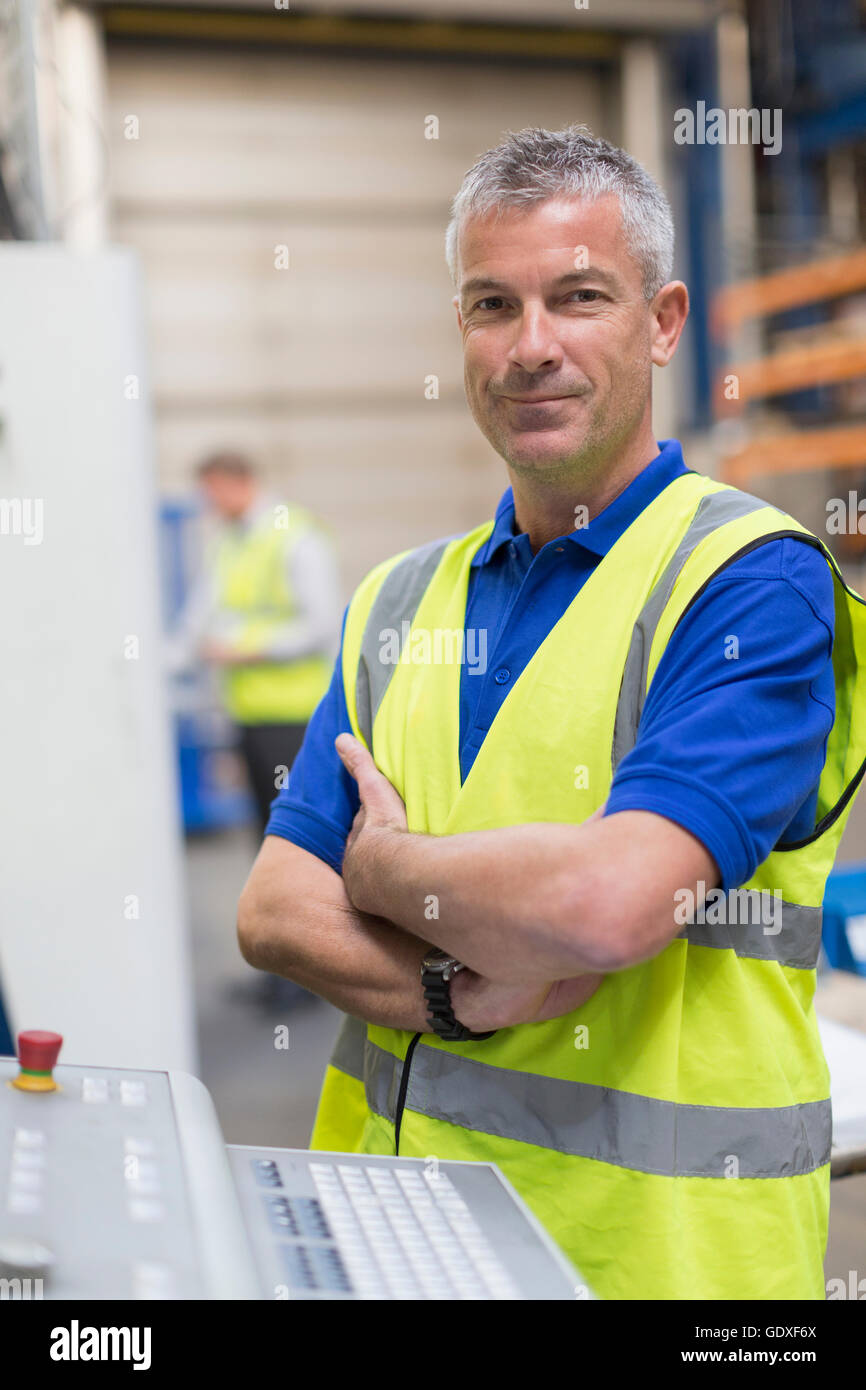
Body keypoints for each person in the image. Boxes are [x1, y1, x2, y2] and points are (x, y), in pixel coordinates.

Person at [237, 126, 866, 1299]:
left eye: (578, 298)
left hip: (652, 1267)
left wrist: (378, 871)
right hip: (393, 1239)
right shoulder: (397, 600)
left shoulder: (745, 582)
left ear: (663, 321)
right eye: (491, 306)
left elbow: (608, 903)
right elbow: (273, 909)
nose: (531, 348)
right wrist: (452, 991)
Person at [172, 450, 341, 1006]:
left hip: (292, 720)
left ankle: (309, 975)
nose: (207, 505)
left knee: (297, 846)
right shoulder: (230, 539)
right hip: (248, 716)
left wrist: (243, 649)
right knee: (262, 843)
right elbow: (201, 619)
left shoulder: (295, 537)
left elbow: (320, 627)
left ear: (238, 482)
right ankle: (277, 968)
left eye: (212, 492)